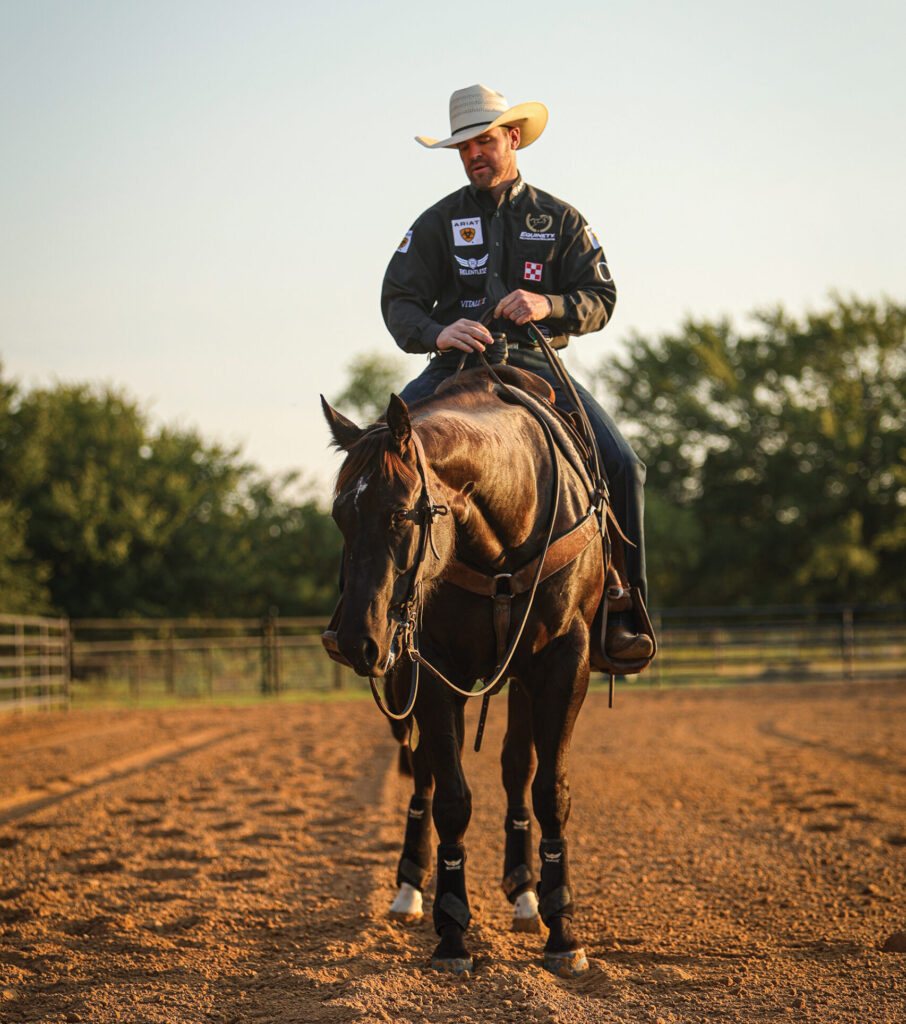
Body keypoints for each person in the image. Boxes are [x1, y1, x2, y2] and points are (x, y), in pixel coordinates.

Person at [381, 84, 651, 662]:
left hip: (537, 365)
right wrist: (438, 332)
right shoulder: (436, 223)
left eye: (484, 141)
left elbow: (600, 297)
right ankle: (363, 616)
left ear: (511, 137)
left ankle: (621, 612)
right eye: (463, 148)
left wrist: (546, 305)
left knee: (624, 466)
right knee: (377, 457)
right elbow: (398, 300)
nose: (474, 154)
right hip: (455, 367)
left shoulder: (559, 218)